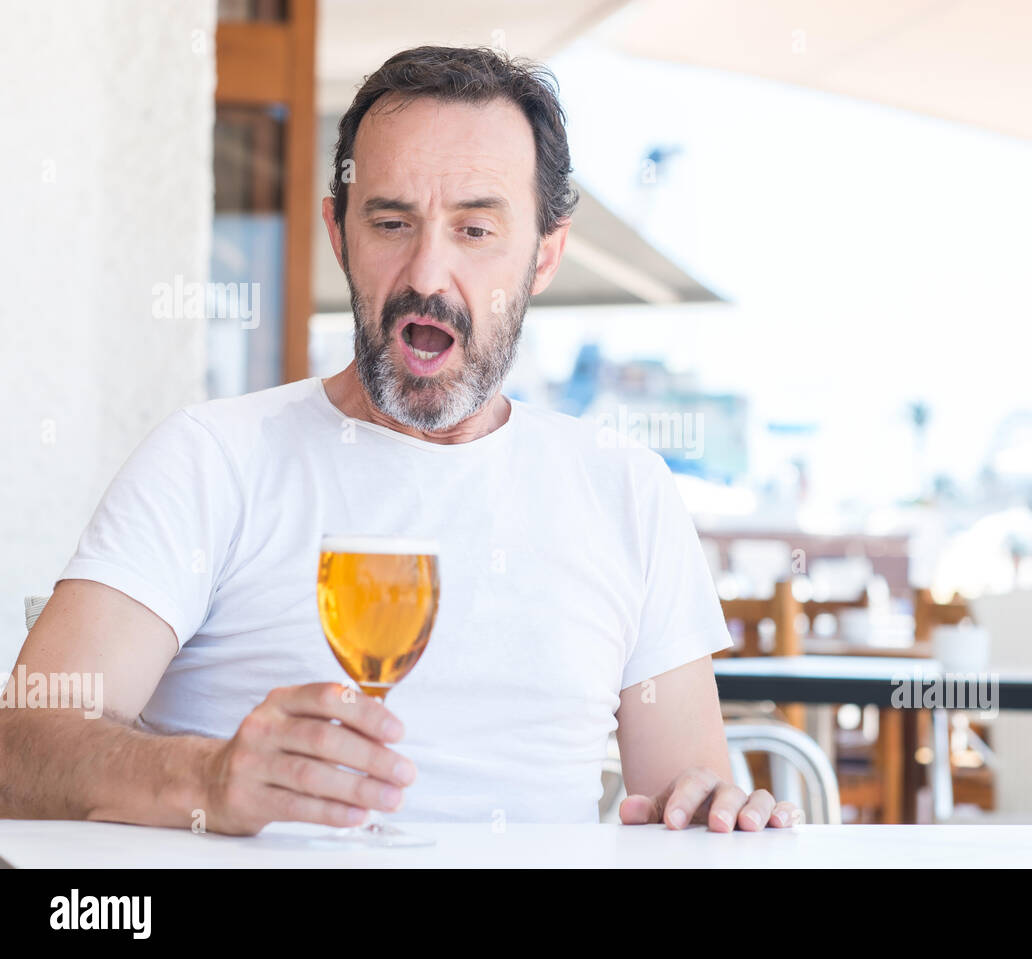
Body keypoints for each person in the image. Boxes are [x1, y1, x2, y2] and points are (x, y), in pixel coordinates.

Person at [0, 45, 800, 835]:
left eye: (476, 229)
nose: (426, 272)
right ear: (339, 234)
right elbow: (18, 748)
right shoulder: (210, 460)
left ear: (544, 255)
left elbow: (686, 807)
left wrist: (723, 810)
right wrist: (205, 775)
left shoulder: (628, 489)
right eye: (391, 221)